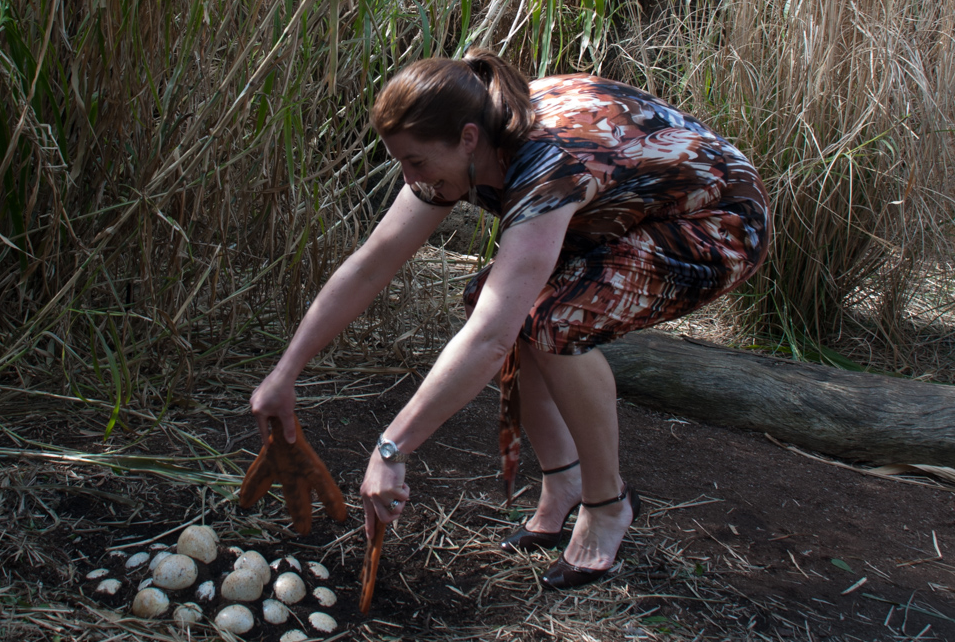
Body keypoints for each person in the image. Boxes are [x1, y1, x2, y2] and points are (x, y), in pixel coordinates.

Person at [250, 51, 770, 590]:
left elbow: (492, 341)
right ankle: (564, 481)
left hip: (716, 221)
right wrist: (284, 373)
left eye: (418, 162)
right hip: (621, 205)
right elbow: (372, 263)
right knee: (492, 303)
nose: (411, 179)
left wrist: (393, 448)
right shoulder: (462, 129)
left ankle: (607, 503)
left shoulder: (545, 164)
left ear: (469, 139)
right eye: (401, 162)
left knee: (555, 320)